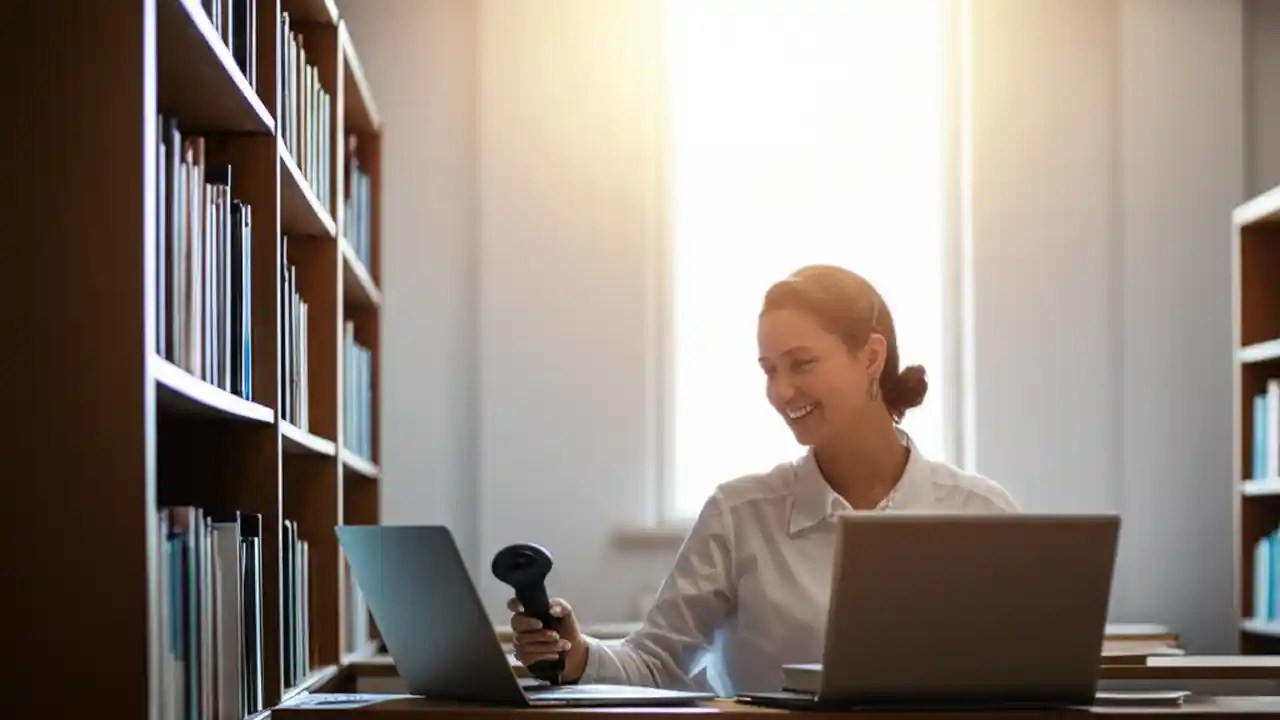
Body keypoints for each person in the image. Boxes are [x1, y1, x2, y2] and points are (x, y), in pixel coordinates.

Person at [506, 264, 1019, 697]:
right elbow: (656, 663)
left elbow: (1025, 679)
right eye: (769, 369)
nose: (781, 391)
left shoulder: (982, 513)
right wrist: (576, 655)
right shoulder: (739, 514)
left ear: (871, 356)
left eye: (802, 364)